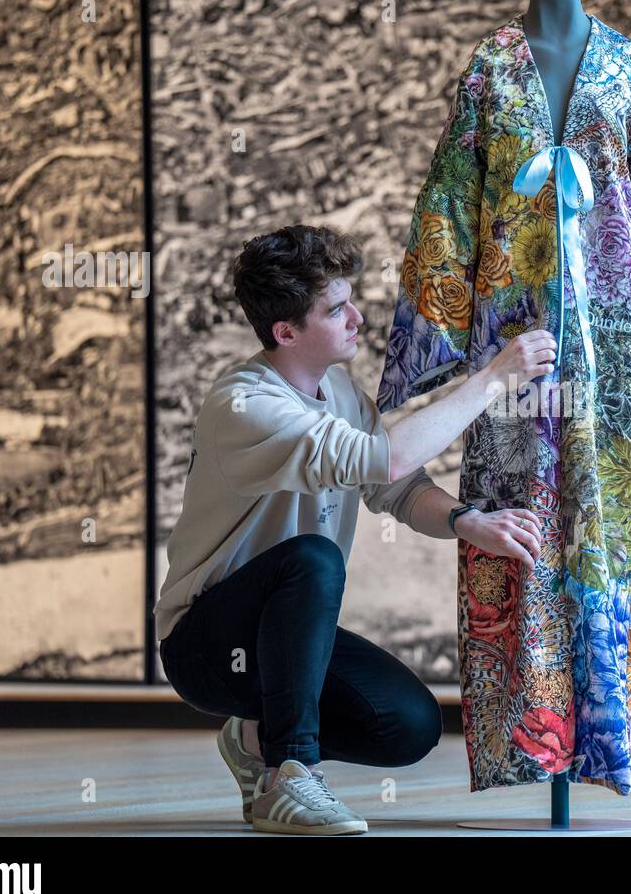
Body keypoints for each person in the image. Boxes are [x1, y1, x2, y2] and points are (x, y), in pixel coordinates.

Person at [154, 223, 555, 834]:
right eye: (337, 309)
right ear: (285, 332)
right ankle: (291, 777)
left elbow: (396, 487)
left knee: (409, 724)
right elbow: (385, 458)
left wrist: (465, 520)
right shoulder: (244, 407)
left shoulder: (341, 393)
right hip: (205, 645)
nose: (357, 319)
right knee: (311, 557)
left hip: (277, 640)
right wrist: (496, 377)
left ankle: (254, 741)